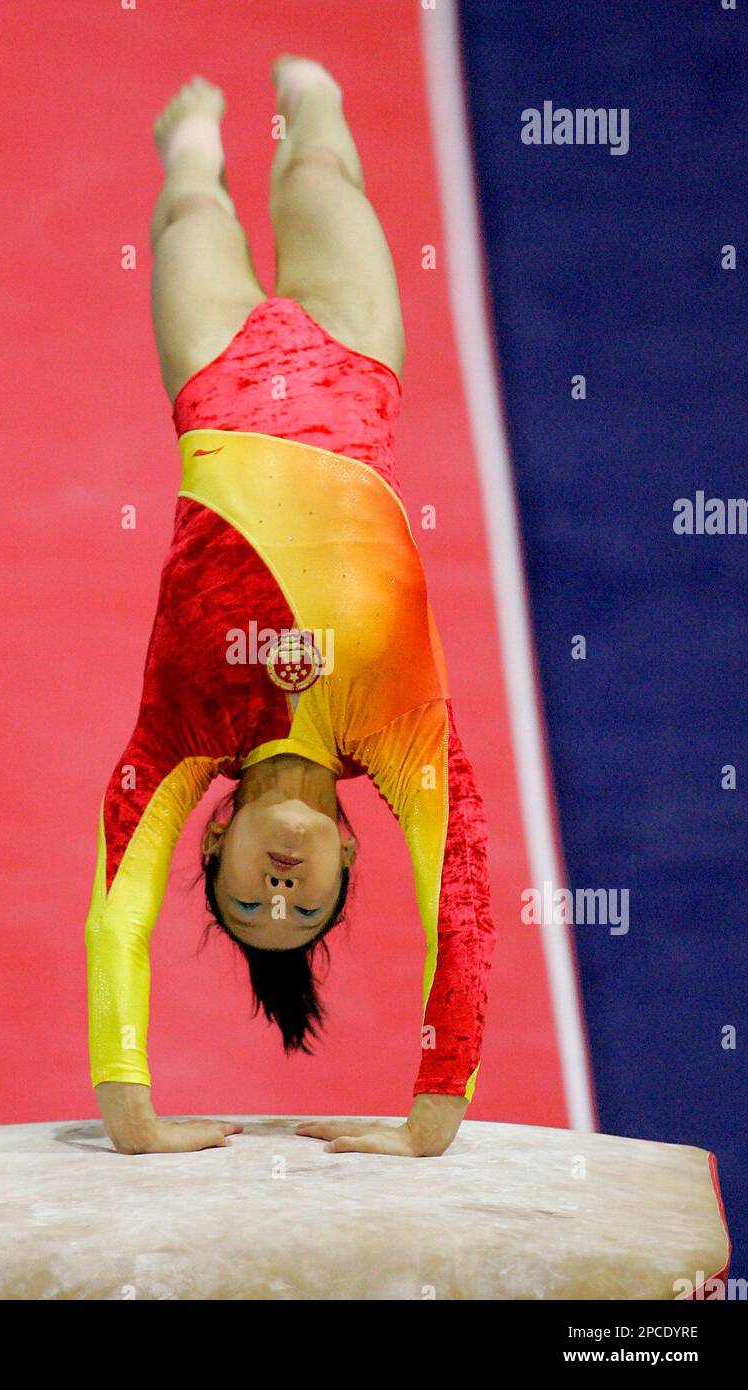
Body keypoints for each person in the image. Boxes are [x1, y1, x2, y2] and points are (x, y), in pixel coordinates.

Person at [86, 56, 496, 1158]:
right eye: (304, 909)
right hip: (357, 362)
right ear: (352, 863)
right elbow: (460, 914)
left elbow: (118, 915)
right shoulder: (406, 740)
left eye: (248, 903)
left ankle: (195, 138)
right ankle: (314, 95)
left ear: (210, 842)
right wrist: (430, 1121)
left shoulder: (181, 741)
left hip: (213, 371)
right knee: (317, 159)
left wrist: (130, 1114)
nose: (280, 894)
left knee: (190, 205)